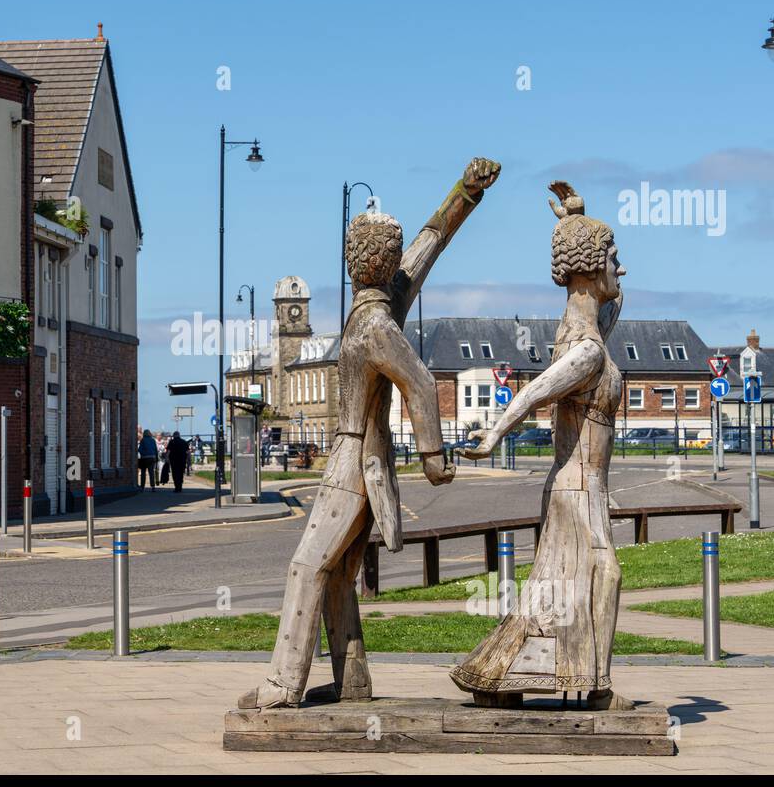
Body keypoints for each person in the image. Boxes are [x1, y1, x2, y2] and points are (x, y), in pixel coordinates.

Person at [238, 158, 501, 710]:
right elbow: (430, 245)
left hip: (354, 459)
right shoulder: (386, 306)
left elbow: (423, 384)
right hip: (361, 457)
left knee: (307, 566)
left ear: (352, 262)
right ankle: (352, 680)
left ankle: (283, 682)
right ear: (387, 264)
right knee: (335, 575)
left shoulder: (376, 326)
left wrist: (431, 457)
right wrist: (466, 195)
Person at [453, 181, 631, 711]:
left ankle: (558, 676)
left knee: (565, 585)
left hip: (586, 488)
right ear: (590, 268)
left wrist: (576, 221)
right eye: (613, 260)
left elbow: (612, 301)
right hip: (575, 490)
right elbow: (533, 391)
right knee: (602, 574)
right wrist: (496, 431)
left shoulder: (590, 332)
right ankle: (587, 682)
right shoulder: (585, 354)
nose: (620, 269)